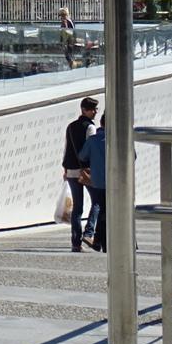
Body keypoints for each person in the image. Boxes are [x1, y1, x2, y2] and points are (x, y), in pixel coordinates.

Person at [61, 96, 100, 252]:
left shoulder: (70, 127)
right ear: (84, 110)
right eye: (92, 109)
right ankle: (89, 232)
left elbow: (66, 148)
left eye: (96, 109)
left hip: (71, 170)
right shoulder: (90, 127)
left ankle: (75, 243)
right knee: (97, 201)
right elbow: (91, 150)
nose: (95, 112)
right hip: (86, 171)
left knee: (78, 207)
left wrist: (65, 168)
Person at [79, 114, 109, 252]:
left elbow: (82, 156)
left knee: (101, 209)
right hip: (114, 182)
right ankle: (104, 242)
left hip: (96, 181)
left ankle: (97, 241)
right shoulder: (119, 139)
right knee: (109, 212)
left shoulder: (92, 140)